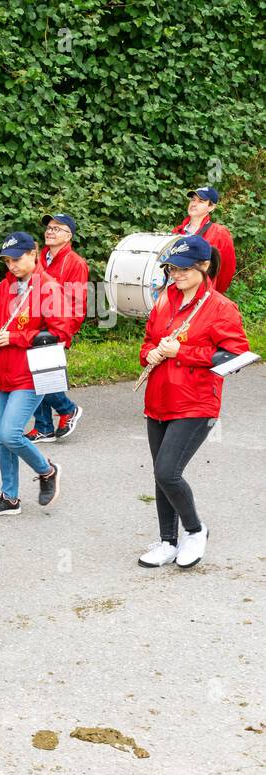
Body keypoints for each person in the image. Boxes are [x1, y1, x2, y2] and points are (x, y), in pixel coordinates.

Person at [137, 234, 249, 569]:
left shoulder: (221, 307)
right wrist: (151, 353)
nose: (176, 274)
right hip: (158, 397)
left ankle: (196, 531)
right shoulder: (162, 300)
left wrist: (182, 352)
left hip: (196, 402)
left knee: (168, 471)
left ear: (203, 266)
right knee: (160, 476)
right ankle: (168, 542)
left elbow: (237, 355)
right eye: (171, 268)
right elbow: (146, 344)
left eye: (184, 268)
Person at [0, 232, 66, 518]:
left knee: (10, 433)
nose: (12, 266)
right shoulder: (5, 286)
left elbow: (60, 333)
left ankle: (47, 470)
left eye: (17, 259)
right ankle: (10, 497)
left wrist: (15, 337)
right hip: (0, 371)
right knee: (1, 438)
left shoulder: (49, 287)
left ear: (33, 253)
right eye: (7, 261)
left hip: (30, 373)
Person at [25, 212, 87, 443]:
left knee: (44, 377)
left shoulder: (75, 263)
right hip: (32, 326)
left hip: (55, 329)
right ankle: (44, 427)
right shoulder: (37, 258)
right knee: (33, 375)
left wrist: (64, 332)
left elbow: (77, 303)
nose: (50, 231)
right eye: (48, 228)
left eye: (57, 228)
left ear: (68, 235)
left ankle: (67, 408)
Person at [173, 186, 235, 293]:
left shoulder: (219, 233)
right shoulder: (176, 232)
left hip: (204, 295)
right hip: (177, 294)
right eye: (193, 200)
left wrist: (212, 291)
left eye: (201, 201)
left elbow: (226, 271)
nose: (194, 204)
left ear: (211, 207)